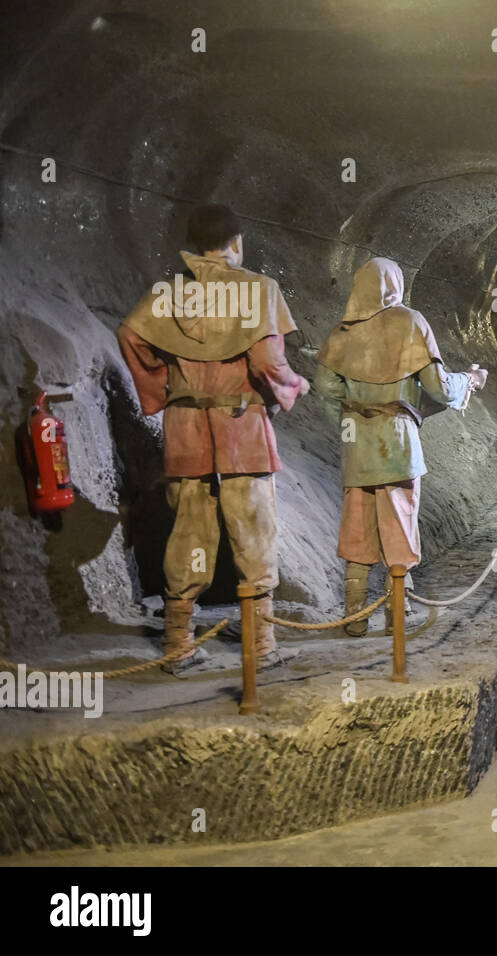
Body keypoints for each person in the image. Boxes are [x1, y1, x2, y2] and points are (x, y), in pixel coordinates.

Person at [117, 203, 310, 674]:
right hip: (241, 427)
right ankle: (260, 645)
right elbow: (267, 361)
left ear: (193, 243)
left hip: (186, 430)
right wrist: (293, 386)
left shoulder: (169, 294)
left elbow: (129, 335)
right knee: (253, 532)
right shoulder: (260, 290)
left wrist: (165, 387)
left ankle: (178, 643)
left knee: (190, 533)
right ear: (236, 242)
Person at [315, 257, 487, 635]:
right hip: (398, 444)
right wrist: (470, 380)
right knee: (399, 526)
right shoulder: (411, 322)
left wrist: (361, 399)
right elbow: (439, 389)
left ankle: (355, 616)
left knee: (358, 527)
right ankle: (397, 612)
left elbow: (326, 386)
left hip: (357, 444)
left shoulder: (343, 331)